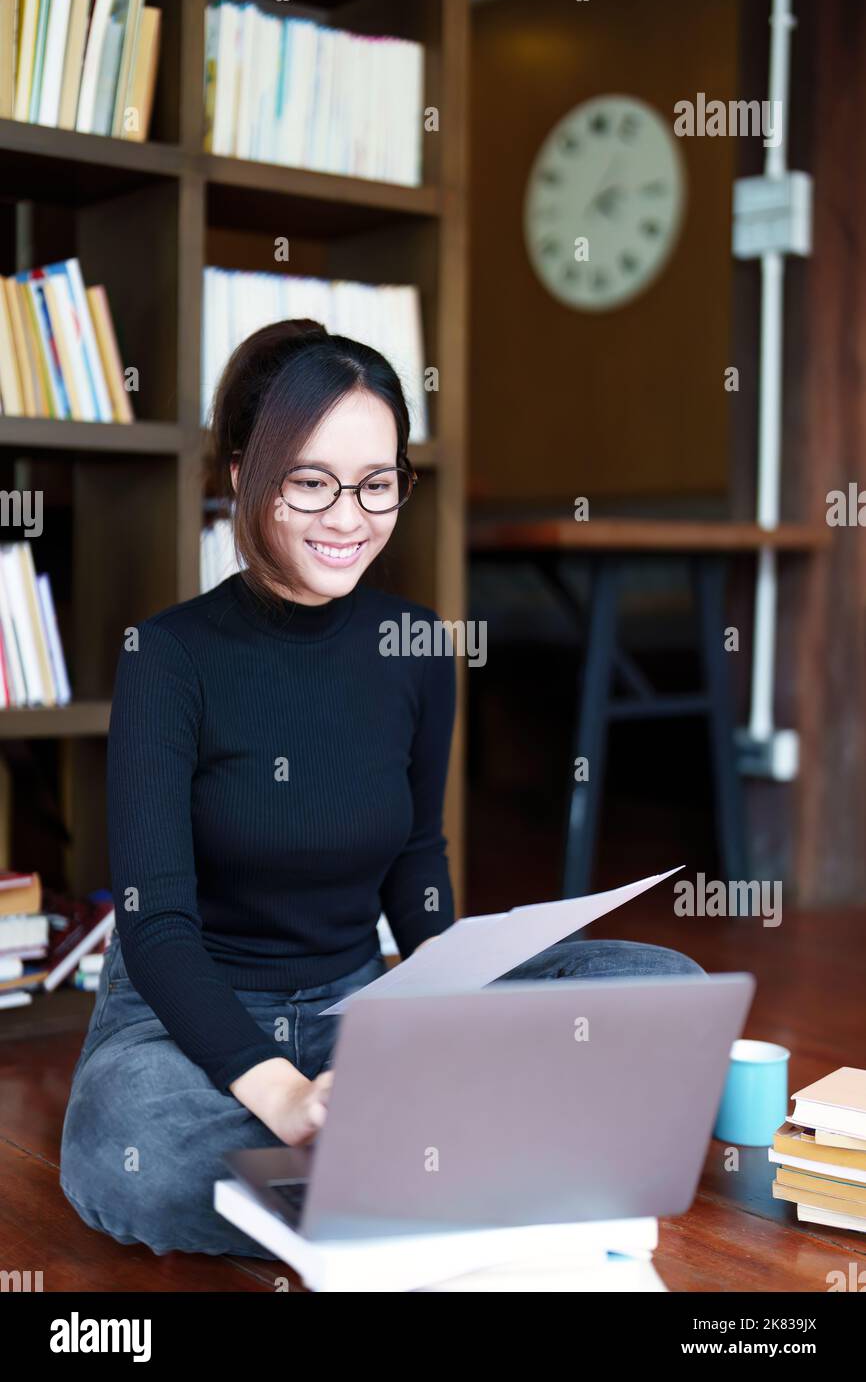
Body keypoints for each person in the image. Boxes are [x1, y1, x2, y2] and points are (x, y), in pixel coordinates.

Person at [60, 320, 705, 1258]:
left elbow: (415, 866)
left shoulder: (417, 648)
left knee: (663, 988)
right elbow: (156, 930)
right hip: (189, 1025)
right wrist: (277, 1088)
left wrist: (449, 988)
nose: (349, 516)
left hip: (359, 1013)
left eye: (377, 482)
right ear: (244, 477)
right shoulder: (169, 658)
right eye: (311, 481)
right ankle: (451, 1176)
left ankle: (373, 1178)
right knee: (127, 1143)